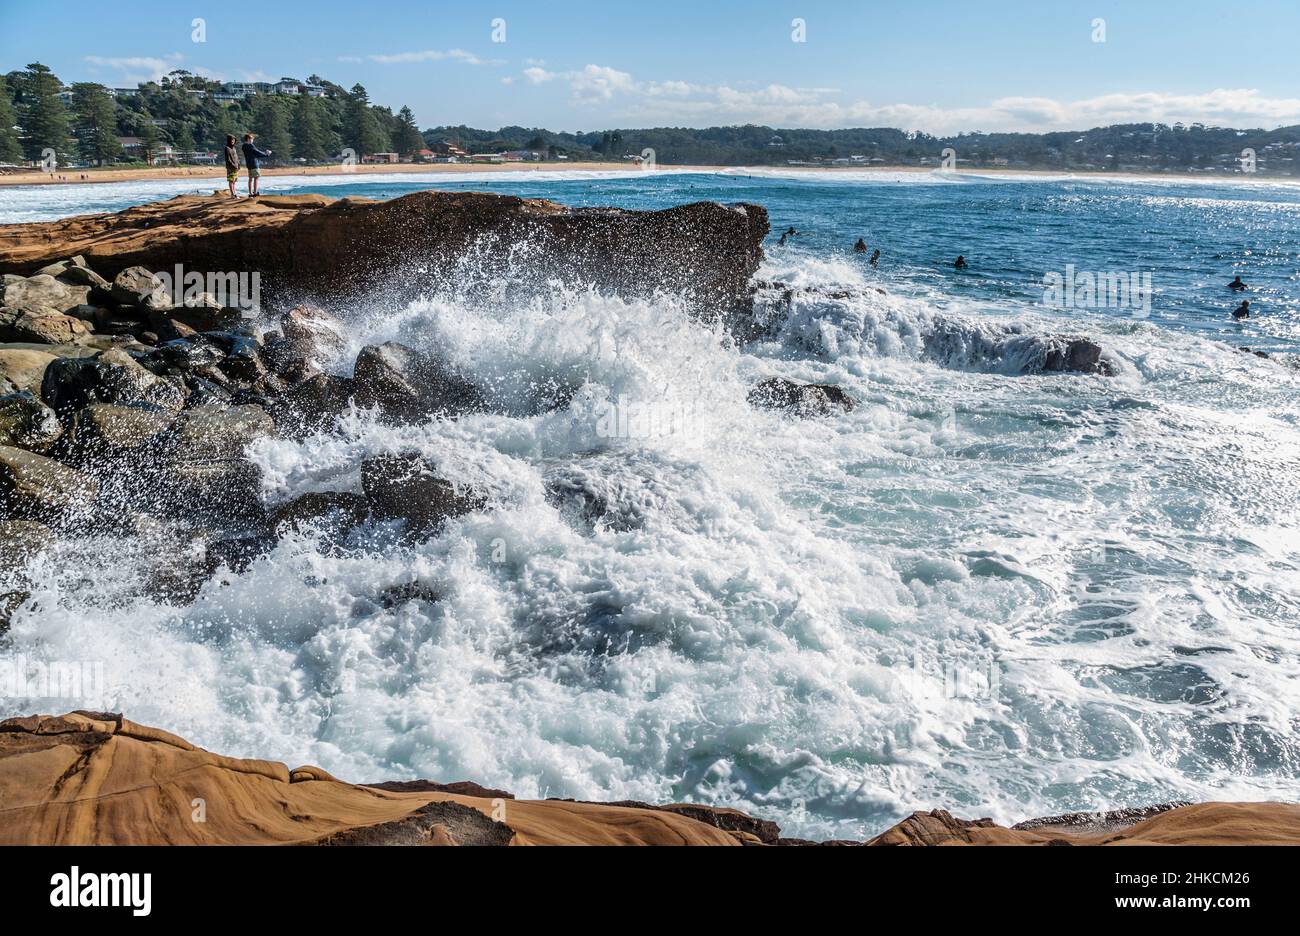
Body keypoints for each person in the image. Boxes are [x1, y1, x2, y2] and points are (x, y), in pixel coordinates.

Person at [240, 132, 272, 197]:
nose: (252, 140)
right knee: (256, 178)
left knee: (250, 179)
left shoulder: (243, 146)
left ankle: (250, 193)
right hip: (254, 164)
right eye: (252, 139)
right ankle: (254, 193)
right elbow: (257, 153)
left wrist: (264, 153)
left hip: (248, 165)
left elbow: (255, 152)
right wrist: (267, 154)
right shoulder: (251, 145)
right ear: (248, 139)